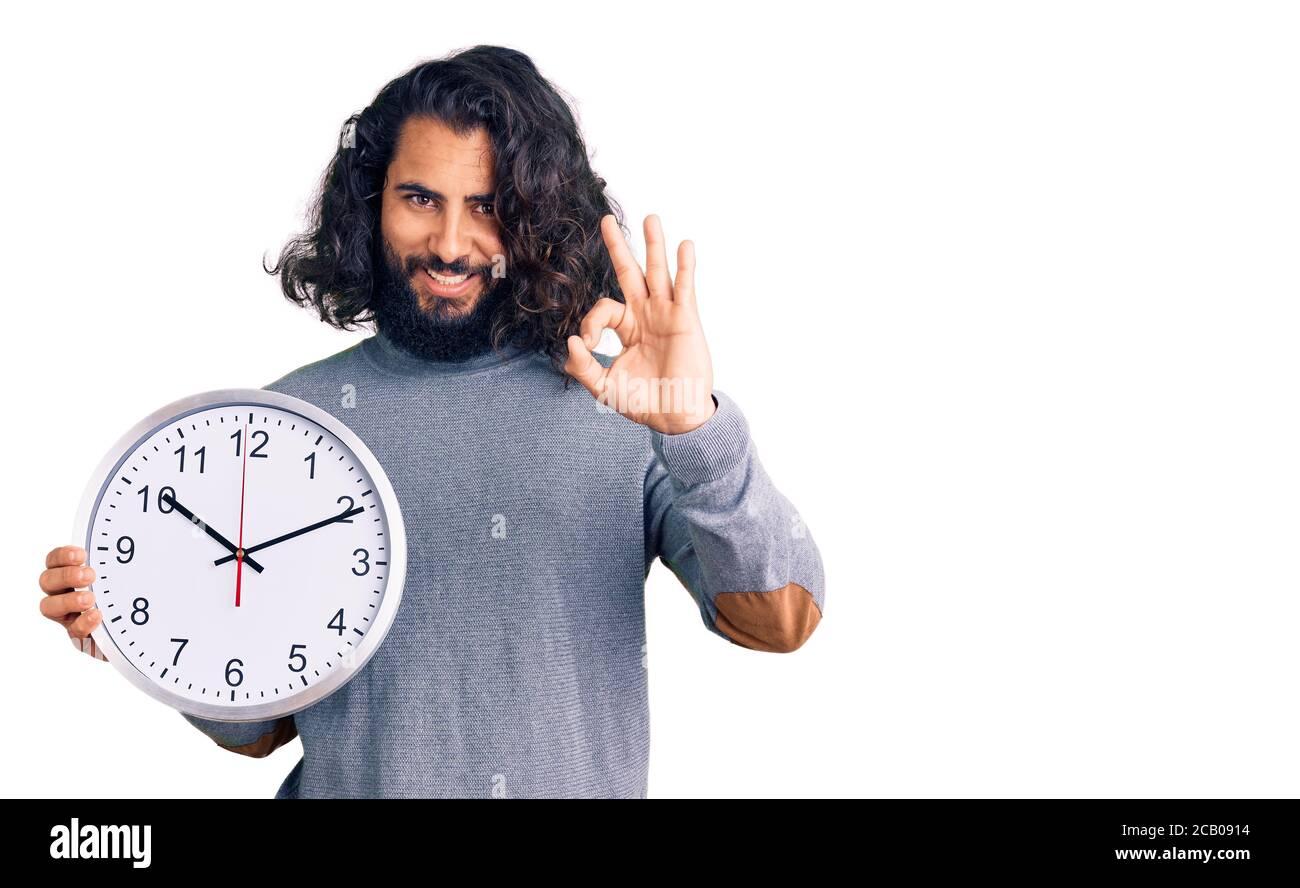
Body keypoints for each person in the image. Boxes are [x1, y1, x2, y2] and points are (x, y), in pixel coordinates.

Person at [37, 45, 825, 798]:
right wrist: (138, 635)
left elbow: (779, 618)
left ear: (538, 219)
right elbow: (259, 726)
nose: (451, 244)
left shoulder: (626, 408)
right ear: (371, 204)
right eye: (421, 200)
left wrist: (695, 432)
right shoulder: (287, 425)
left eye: (488, 207)